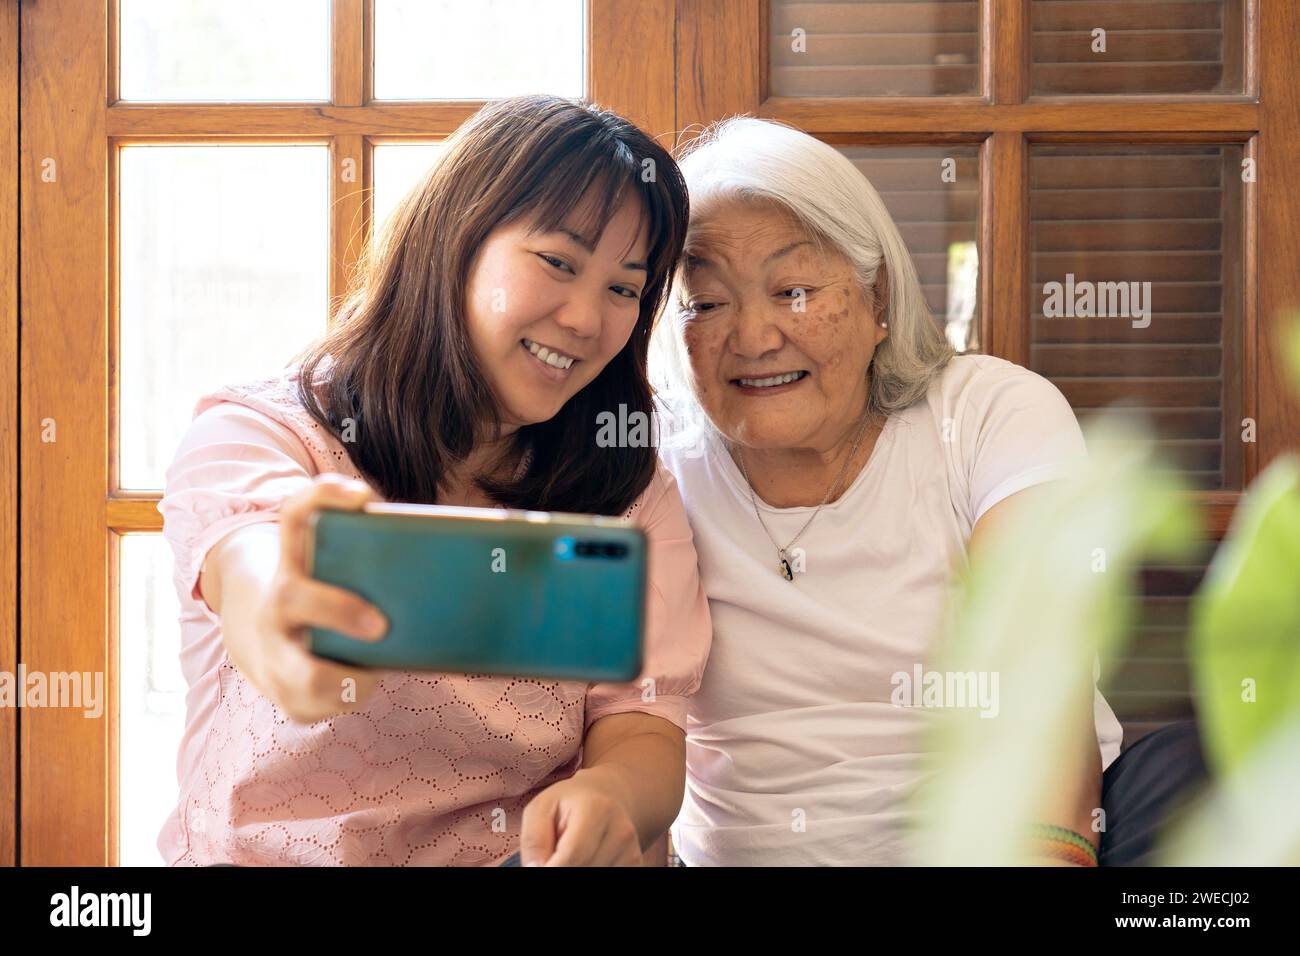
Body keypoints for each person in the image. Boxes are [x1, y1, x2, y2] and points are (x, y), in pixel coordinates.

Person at [158, 95, 711, 866]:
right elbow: (251, 569)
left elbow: (644, 720)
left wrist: (614, 791)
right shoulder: (259, 434)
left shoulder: (626, 491)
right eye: (558, 261)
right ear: (454, 240)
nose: (588, 319)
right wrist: (287, 616)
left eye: (624, 288)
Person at [651, 116, 1207, 866]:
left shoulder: (988, 412)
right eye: (706, 303)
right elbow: (623, 722)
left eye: (793, 290)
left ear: (877, 299)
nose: (752, 337)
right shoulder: (654, 464)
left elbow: (1038, 673)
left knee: (1203, 772)